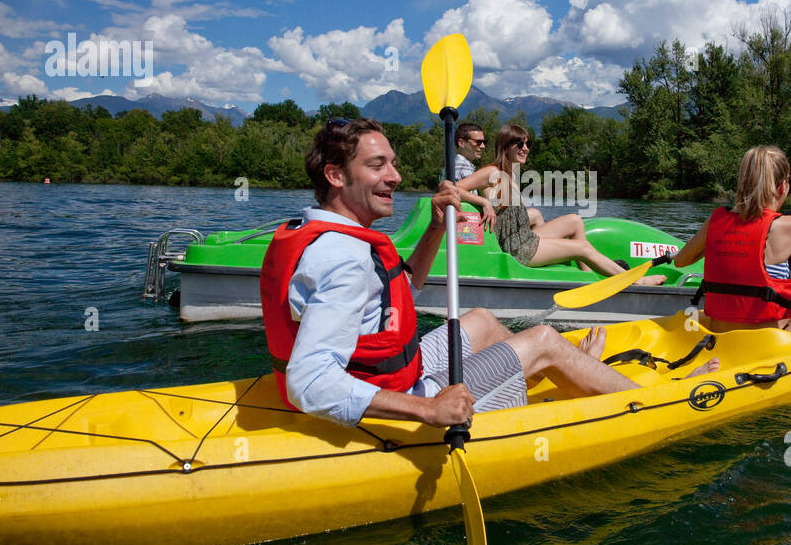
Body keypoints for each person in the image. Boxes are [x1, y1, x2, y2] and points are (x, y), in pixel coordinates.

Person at [260, 117, 643, 428]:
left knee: (481, 320)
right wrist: (428, 410)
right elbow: (308, 383)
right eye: (378, 165)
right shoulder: (340, 257)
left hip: (389, 371)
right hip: (399, 399)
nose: (395, 176)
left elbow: (398, 295)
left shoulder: (328, 234)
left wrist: (434, 228)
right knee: (543, 337)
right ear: (336, 176)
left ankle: (558, 371)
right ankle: (635, 396)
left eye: (392, 163)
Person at [673, 145, 791, 337]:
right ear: (783, 187)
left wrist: (724, 242)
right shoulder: (788, 226)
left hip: (721, 335)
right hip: (768, 342)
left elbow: (681, 261)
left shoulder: (715, 221)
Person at [457, 124, 665, 285]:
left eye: (528, 144)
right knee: (581, 247)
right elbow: (451, 188)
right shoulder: (491, 172)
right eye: (520, 144)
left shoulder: (510, 174)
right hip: (519, 249)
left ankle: (586, 277)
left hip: (525, 238)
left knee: (574, 220)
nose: (526, 149)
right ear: (505, 147)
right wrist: (483, 201)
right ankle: (635, 280)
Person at [452, 122, 495, 233]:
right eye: (478, 142)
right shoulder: (461, 166)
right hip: (466, 225)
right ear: (461, 143)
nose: (483, 146)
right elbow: (454, 191)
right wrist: (485, 202)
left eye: (484, 142)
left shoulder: (455, 163)